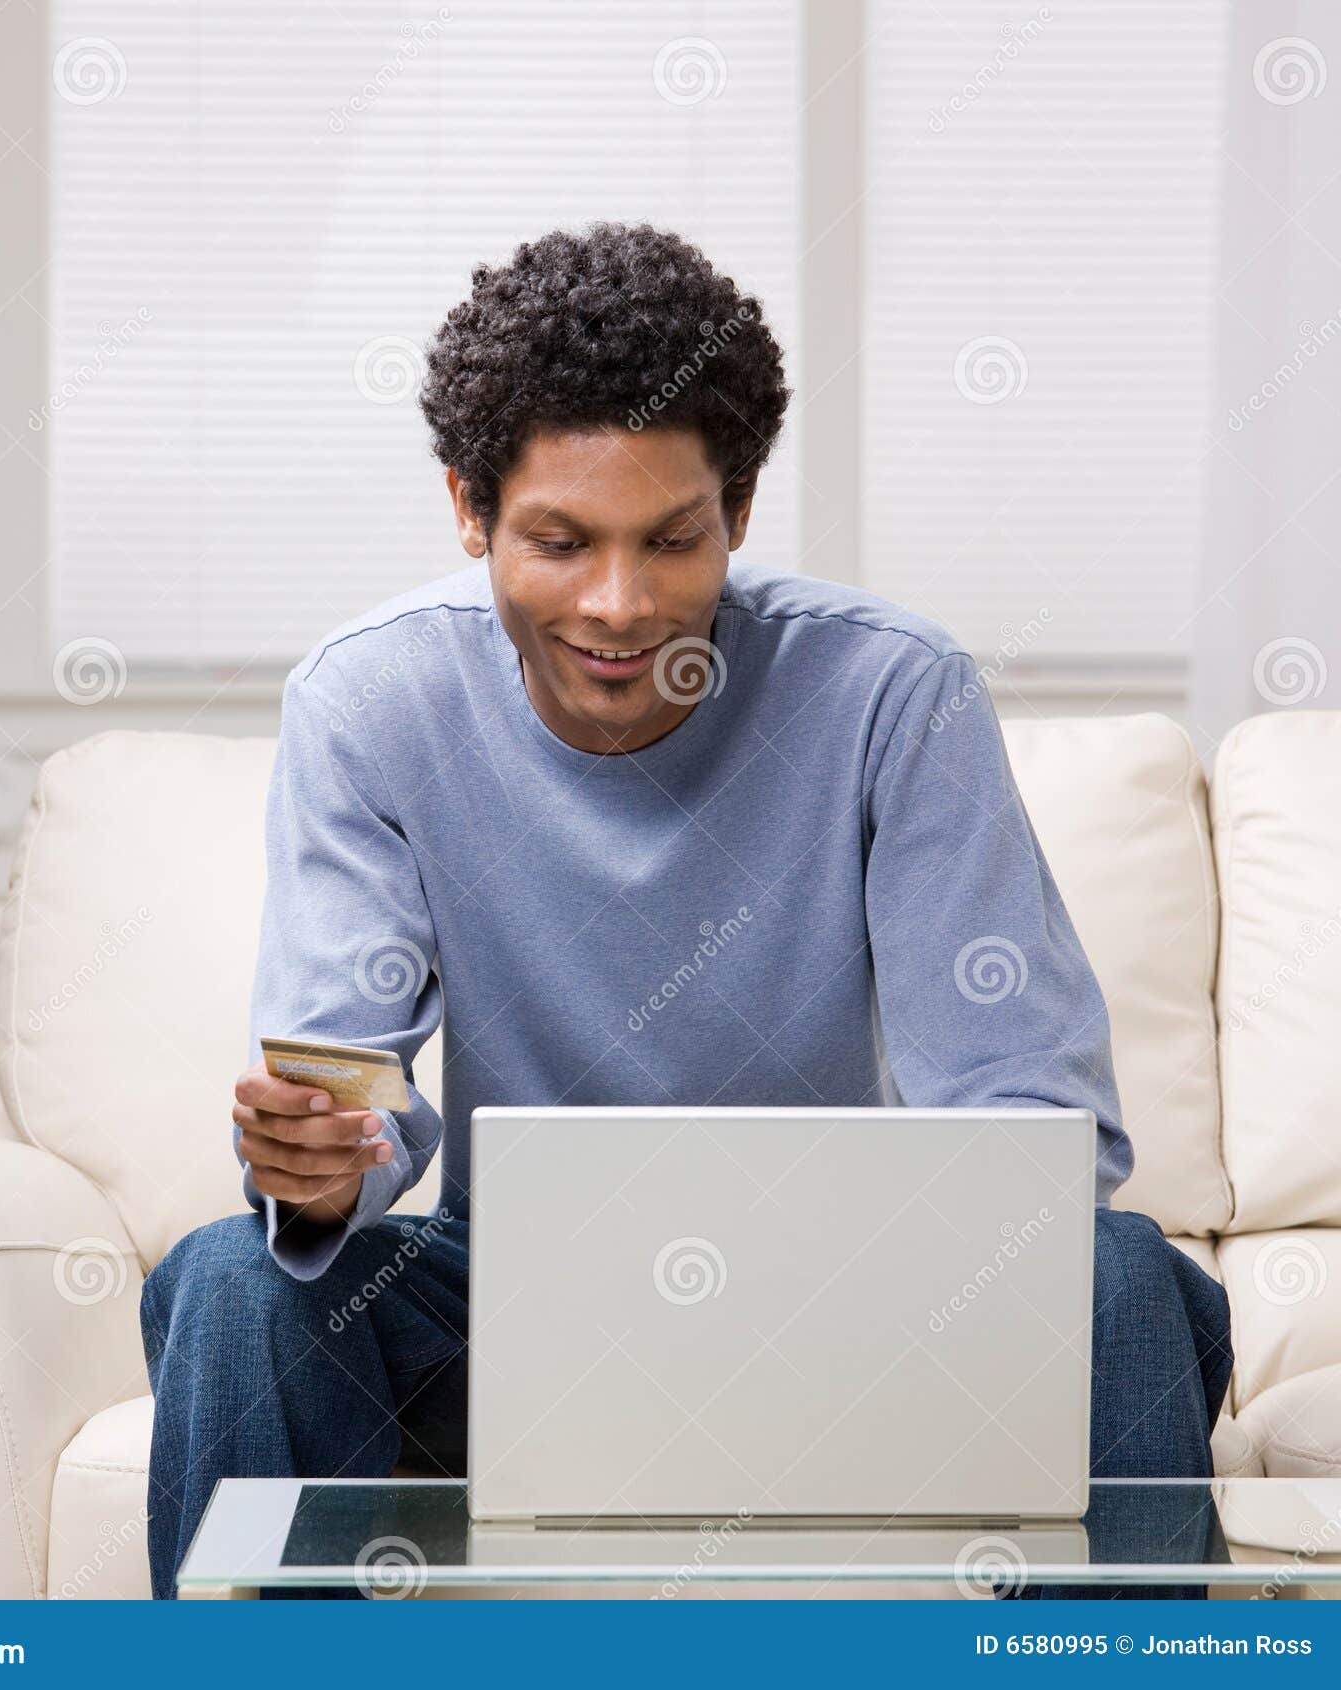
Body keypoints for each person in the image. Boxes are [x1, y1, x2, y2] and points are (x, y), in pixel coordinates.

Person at [141, 222, 1232, 1600]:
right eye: (560, 539)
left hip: (861, 1311)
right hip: (511, 1324)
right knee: (239, 1278)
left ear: (740, 511)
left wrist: (913, 1262)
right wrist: (319, 1156)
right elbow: (346, 1092)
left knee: (1123, 1276)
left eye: (672, 539)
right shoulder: (370, 702)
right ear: (470, 511)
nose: (622, 604)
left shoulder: (892, 694)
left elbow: (1040, 1118)